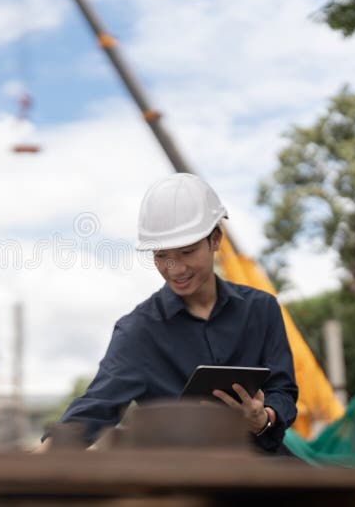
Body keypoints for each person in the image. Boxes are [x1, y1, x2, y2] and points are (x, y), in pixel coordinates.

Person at [40, 173, 298, 453]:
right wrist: (41, 458)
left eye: (186, 252)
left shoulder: (261, 309)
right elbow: (95, 408)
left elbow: (282, 391)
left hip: (263, 466)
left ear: (215, 240)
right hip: (183, 478)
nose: (174, 269)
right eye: (161, 256)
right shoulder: (139, 331)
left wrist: (264, 418)